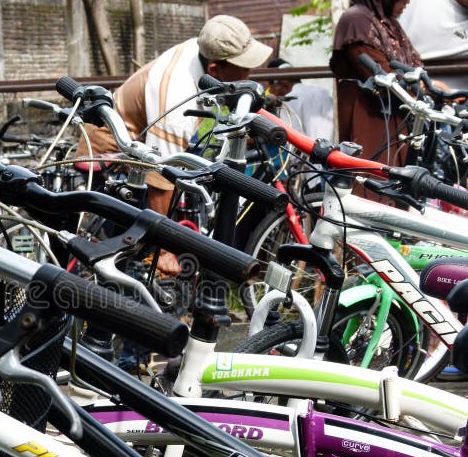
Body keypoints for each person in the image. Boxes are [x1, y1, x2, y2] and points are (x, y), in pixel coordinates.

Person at [76, 14, 272, 274]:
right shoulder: (175, 96)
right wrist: (165, 250)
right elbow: (160, 178)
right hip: (110, 156)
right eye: (244, 67)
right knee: (123, 259)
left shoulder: (203, 48)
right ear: (215, 69)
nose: (251, 73)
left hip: (143, 143)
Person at [330, 0, 426, 167]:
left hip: (396, 127)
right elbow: (383, 75)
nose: (407, 2)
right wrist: (418, 83)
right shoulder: (357, 21)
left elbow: (416, 67)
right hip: (371, 127)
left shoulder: (389, 24)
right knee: (371, 188)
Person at [265, 58, 334, 142]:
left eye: (272, 88)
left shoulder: (289, 100)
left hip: (310, 152)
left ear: (282, 84)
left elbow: (290, 139)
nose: (274, 93)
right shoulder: (323, 92)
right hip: (335, 151)